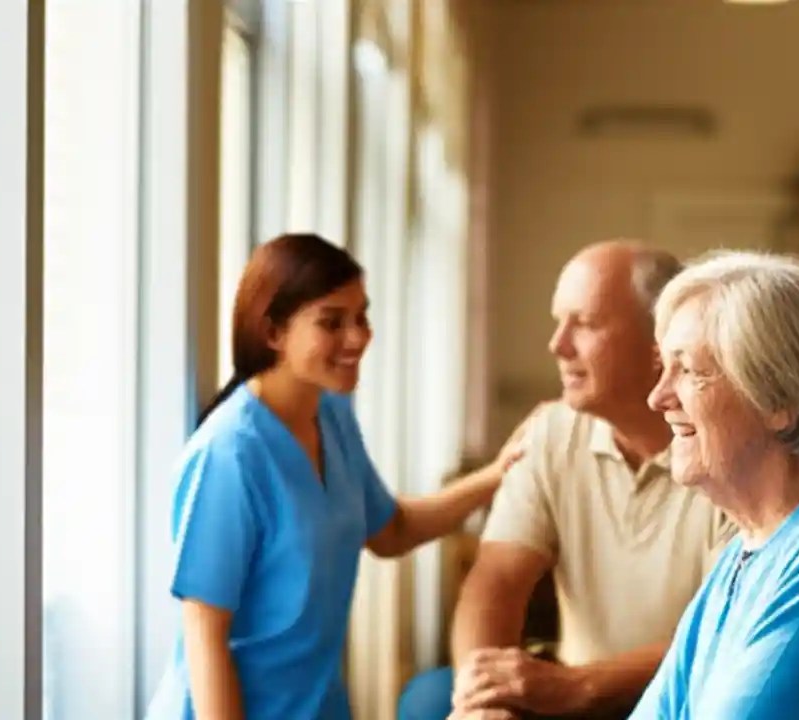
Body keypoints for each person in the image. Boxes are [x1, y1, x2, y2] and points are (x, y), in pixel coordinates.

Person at [143, 234, 523, 720]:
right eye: (332, 322)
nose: (358, 337)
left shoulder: (332, 415)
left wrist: (498, 474)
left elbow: (391, 530)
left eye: (361, 316)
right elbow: (204, 633)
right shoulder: (229, 455)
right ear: (274, 332)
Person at [399, 241, 734, 720]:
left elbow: (719, 631)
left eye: (586, 323)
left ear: (660, 342)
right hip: (571, 689)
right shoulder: (552, 431)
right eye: (560, 321)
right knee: (431, 700)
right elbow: (495, 581)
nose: (558, 345)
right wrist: (482, 695)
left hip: (681, 694)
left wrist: (580, 686)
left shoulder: (727, 450)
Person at [630, 251, 799, 719]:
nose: (658, 397)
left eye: (690, 371)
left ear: (781, 397)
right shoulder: (754, 546)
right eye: (664, 369)